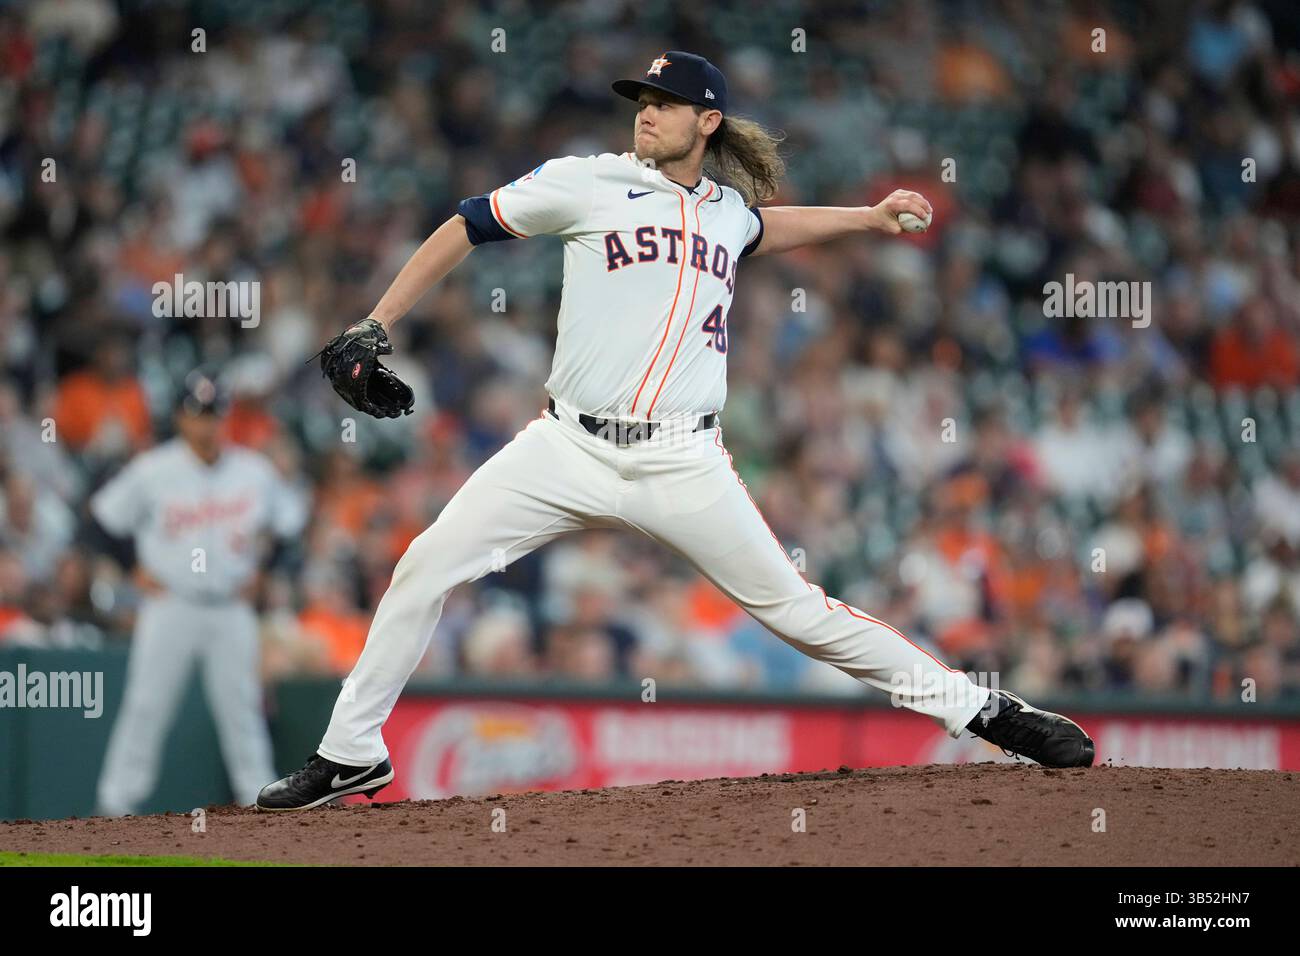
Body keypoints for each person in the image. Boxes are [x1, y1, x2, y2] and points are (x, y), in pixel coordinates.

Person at [258, 50, 1093, 812]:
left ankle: (985, 710)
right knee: (424, 565)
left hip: (682, 456)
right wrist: (375, 321)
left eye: (666, 102)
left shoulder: (727, 211)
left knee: (801, 612)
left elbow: (769, 226)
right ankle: (351, 751)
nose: (646, 112)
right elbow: (465, 225)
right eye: (642, 99)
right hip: (566, 446)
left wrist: (867, 219)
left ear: (708, 121)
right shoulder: (586, 180)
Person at [93, 371, 309, 815]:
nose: (206, 423)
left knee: (242, 712)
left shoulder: (254, 471)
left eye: (213, 413)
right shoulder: (153, 469)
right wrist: (132, 566)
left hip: (231, 608)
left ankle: (257, 803)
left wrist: (266, 572)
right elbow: (101, 520)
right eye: (197, 414)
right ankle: (115, 806)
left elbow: (291, 526)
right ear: (179, 417)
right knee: (146, 707)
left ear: (224, 416)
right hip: (171, 605)